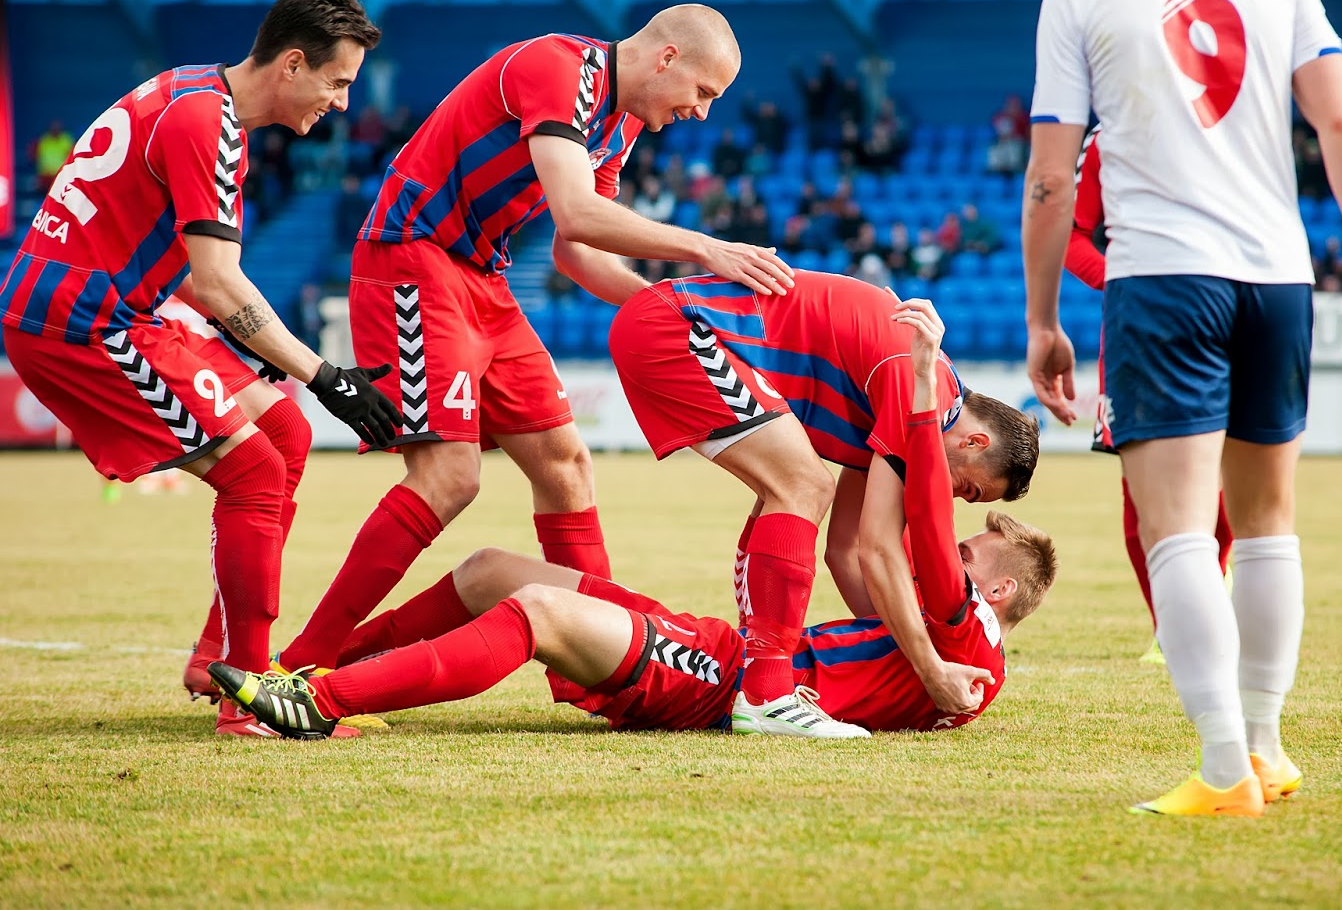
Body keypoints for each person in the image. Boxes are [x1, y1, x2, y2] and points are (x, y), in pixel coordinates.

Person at [206, 301, 1057, 740]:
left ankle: (314, 700)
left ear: (1001, 587)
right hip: (720, 652)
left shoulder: (969, 645)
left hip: (720, 685)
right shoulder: (933, 644)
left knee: (533, 613)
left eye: (971, 535)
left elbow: (903, 562)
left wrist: (915, 382)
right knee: (492, 569)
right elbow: (869, 570)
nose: (948, 530)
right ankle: (303, 662)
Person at [1023, 0, 1342, 816]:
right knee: (1269, 524)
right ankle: (1267, 748)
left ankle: (1225, 768)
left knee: (1178, 531)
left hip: (1163, 278)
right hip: (1277, 279)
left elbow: (1052, 177)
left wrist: (1041, 321)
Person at [270, 5, 794, 681]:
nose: (701, 112)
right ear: (666, 59)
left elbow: (578, 252)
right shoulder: (559, 67)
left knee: (565, 462)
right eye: (702, 92)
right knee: (449, 477)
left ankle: (595, 670)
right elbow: (576, 210)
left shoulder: (623, 119)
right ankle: (305, 660)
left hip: (481, 274)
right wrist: (708, 250)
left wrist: (673, 310)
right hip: (413, 255)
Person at [0, 0, 398, 737]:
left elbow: (185, 262)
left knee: (285, 433)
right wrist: (324, 373)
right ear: (291, 64)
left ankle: (216, 652)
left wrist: (270, 355)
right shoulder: (207, 123)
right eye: (337, 82)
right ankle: (249, 700)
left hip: (111, 307)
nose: (343, 103)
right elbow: (216, 281)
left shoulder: (195, 95)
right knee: (254, 470)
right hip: (82, 321)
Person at [609, 275, 1038, 737]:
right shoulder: (923, 389)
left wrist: (905, 646)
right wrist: (930, 667)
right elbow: (877, 550)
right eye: (968, 489)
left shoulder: (923, 390)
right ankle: (767, 692)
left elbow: (847, 550)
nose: (952, 494)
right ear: (975, 442)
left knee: (790, 489)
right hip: (682, 327)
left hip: (672, 319)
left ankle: (761, 673)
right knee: (804, 486)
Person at [1065, 126, 1233, 666]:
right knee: (1139, 489)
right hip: (1135, 329)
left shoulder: (1224, 118)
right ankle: (1171, 628)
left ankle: (1213, 598)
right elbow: (1069, 236)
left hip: (1224, 314)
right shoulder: (1106, 135)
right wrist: (1125, 280)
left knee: (1233, 482)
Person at [31, 120, 73, 194]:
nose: (55, 130)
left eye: (57, 128)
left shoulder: (66, 140)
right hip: (45, 176)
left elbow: (71, 157)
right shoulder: (44, 140)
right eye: (53, 128)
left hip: (60, 176)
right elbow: (36, 155)